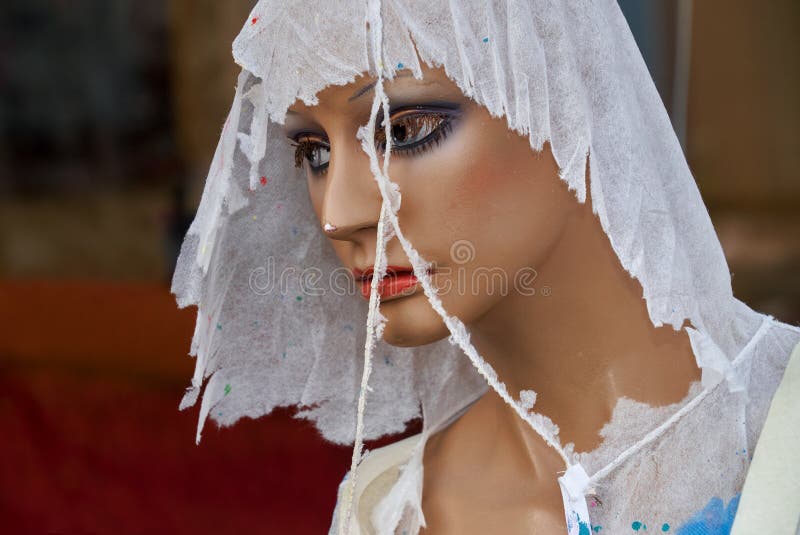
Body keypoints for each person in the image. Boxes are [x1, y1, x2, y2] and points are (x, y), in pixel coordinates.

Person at [171, 1, 800, 534]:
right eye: (313, 151)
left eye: (405, 128)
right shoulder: (382, 508)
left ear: (563, 97)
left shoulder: (782, 420)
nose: (338, 213)